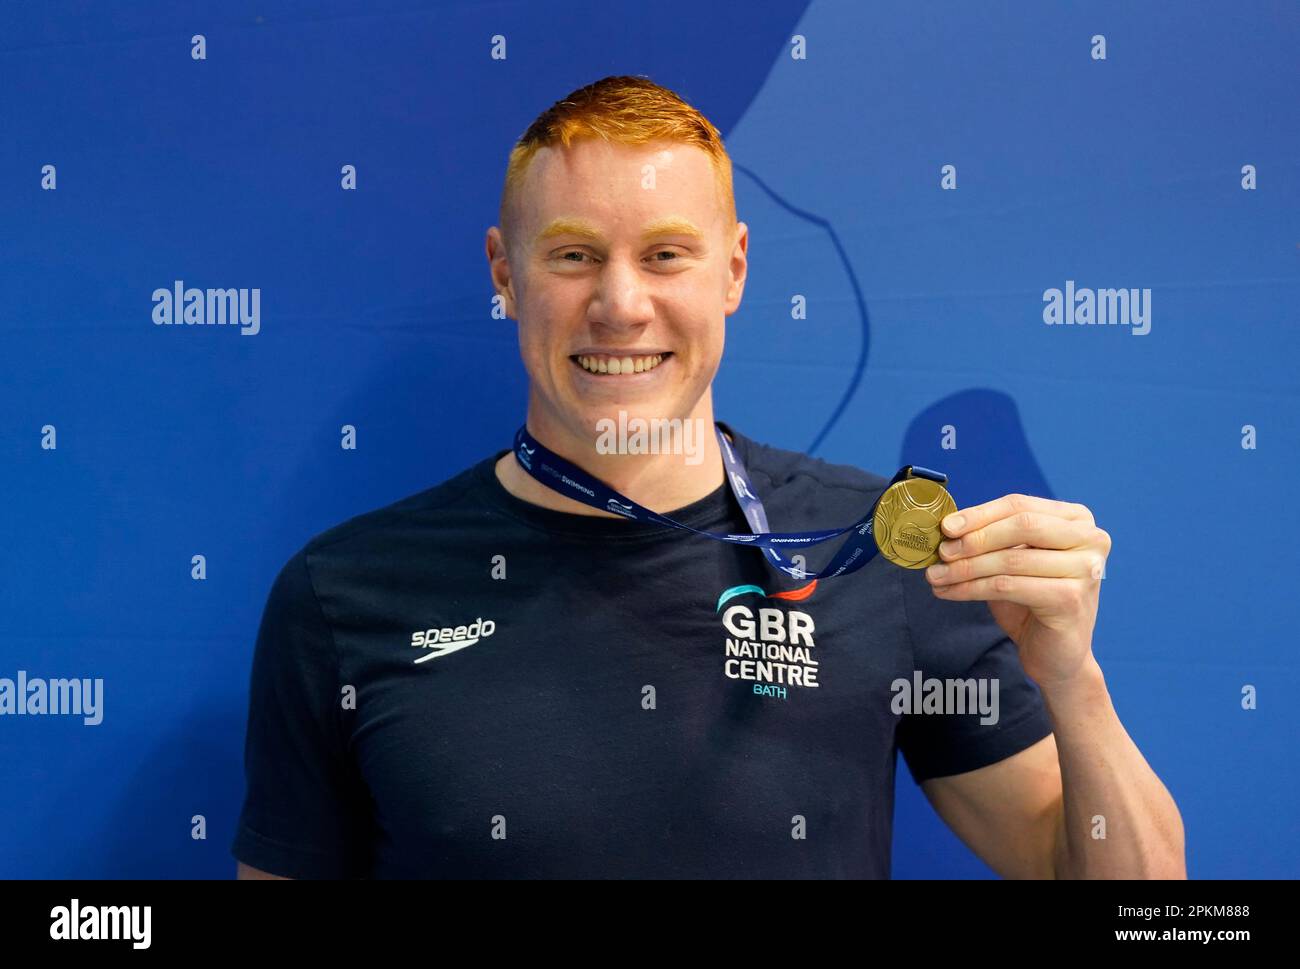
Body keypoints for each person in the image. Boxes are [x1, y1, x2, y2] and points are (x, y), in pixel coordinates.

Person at [232, 75, 1185, 879]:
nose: (620, 303)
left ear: (731, 272)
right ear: (505, 274)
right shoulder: (344, 594)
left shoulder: (879, 552)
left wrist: (1074, 682)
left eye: (665, 255)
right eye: (572, 256)